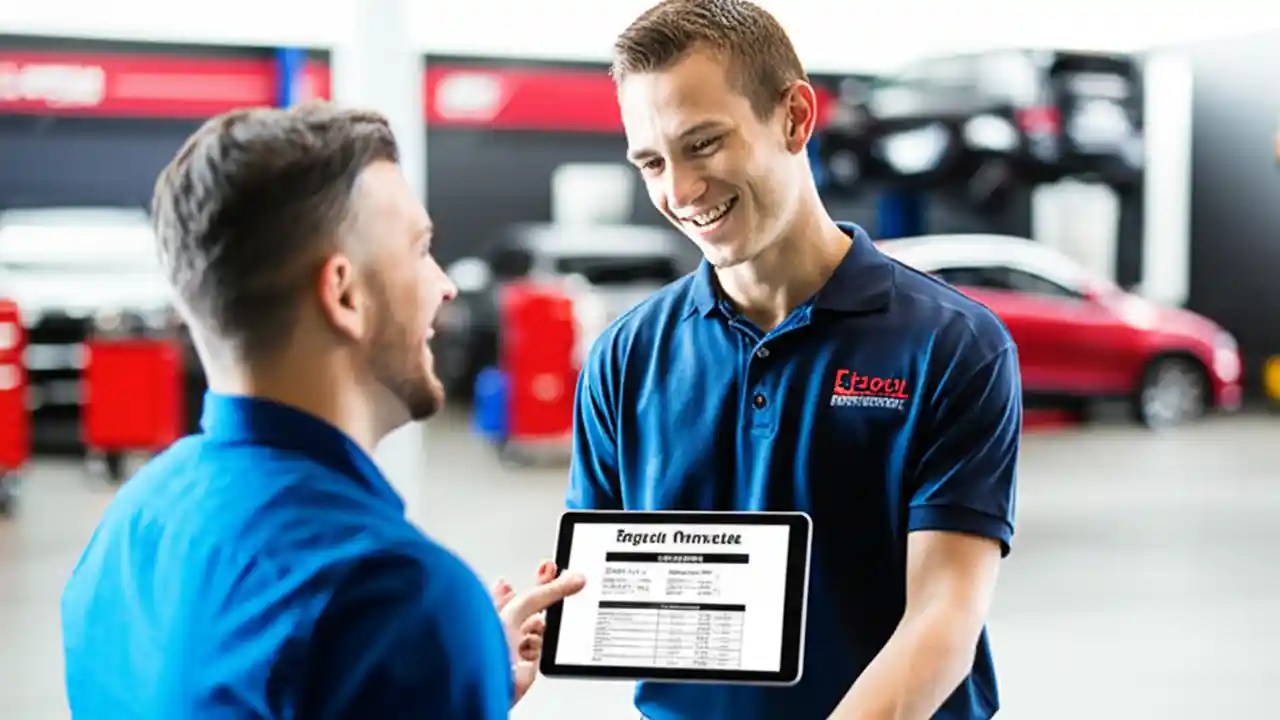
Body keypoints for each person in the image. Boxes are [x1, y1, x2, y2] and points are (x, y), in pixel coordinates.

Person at [566, 1, 1020, 719]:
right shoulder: (626, 357)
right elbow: (612, 589)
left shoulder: (953, 346)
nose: (680, 192)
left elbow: (943, 618)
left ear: (795, 118)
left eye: (704, 144)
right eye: (652, 162)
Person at [61, 103, 585, 719]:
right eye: (420, 250)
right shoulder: (395, 596)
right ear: (344, 293)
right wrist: (439, 654)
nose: (444, 284)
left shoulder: (133, 521)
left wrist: (461, 680)